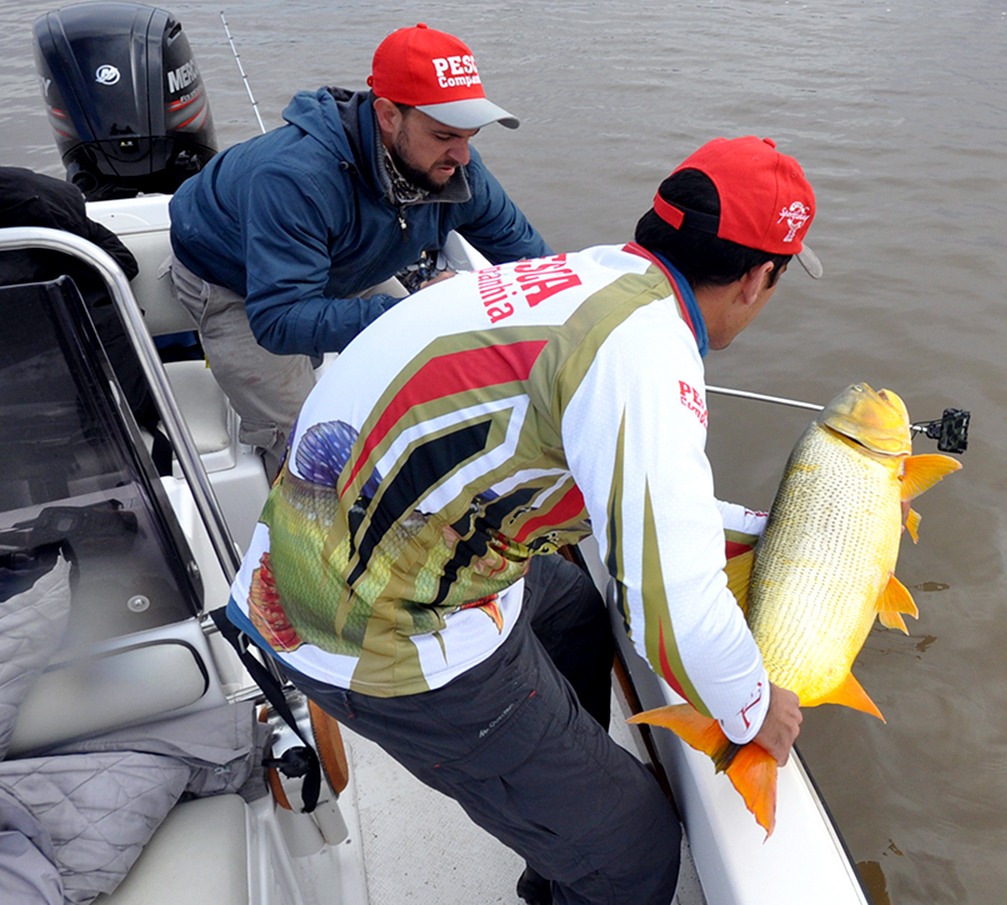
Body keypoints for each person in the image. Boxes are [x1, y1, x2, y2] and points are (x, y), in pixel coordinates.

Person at [221, 135, 821, 905]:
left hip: (331, 548)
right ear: (759, 277)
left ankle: (557, 820)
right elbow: (674, 605)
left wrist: (777, 530)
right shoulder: (647, 354)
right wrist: (753, 707)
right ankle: (586, 841)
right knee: (636, 853)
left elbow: (646, 505)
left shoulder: (598, 278)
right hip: (368, 627)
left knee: (574, 614)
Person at [168, 23, 552, 474]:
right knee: (310, 441)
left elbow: (534, 263)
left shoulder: (458, 170)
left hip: (349, 262)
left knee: (428, 390)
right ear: (388, 115)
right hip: (239, 284)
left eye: (470, 136)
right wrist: (418, 312)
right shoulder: (294, 179)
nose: (463, 157)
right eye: (445, 136)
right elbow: (278, 320)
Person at [0, 167, 171, 474]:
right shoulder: (46, 208)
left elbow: (120, 264)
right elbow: (121, 264)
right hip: (78, 396)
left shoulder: (42, 211)